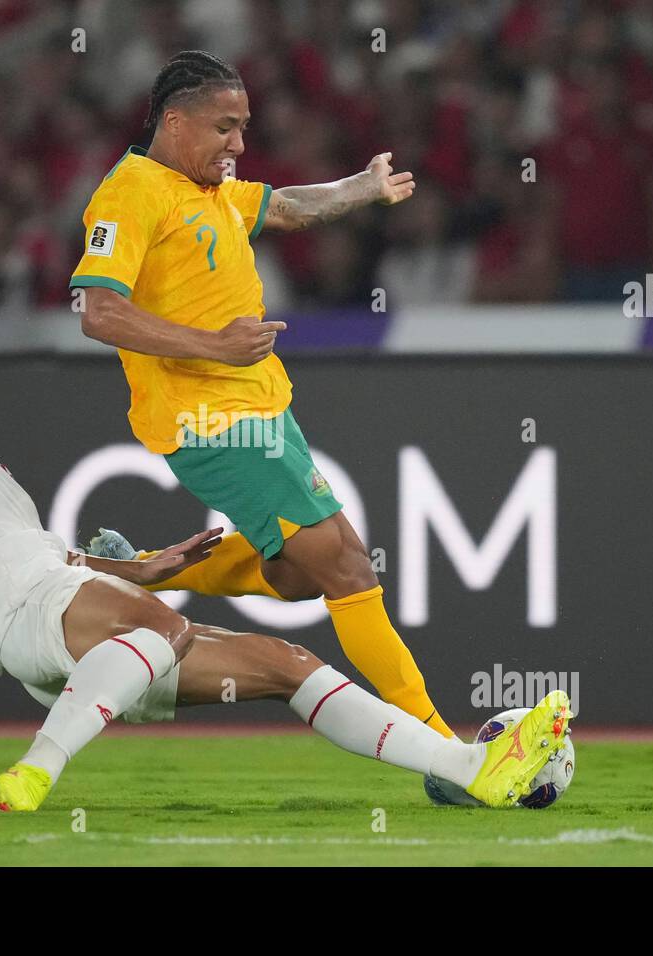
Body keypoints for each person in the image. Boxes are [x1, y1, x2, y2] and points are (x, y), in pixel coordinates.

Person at [0, 151, 570, 812]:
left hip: (58, 619)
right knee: (173, 624)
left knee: (288, 665)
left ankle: (467, 768)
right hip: (24, 615)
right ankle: (35, 771)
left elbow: (25, 548)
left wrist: (137, 569)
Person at [69, 50, 456, 740]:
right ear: (174, 121)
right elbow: (97, 311)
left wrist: (363, 187)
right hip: (209, 420)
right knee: (346, 565)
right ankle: (443, 747)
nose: (239, 145)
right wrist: (214, 345)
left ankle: (145, 571)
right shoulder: (130, 194)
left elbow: (285, 206)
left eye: (243, 127)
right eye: (225, 128)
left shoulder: (210, 187)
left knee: (300, 576)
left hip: (263, 408)